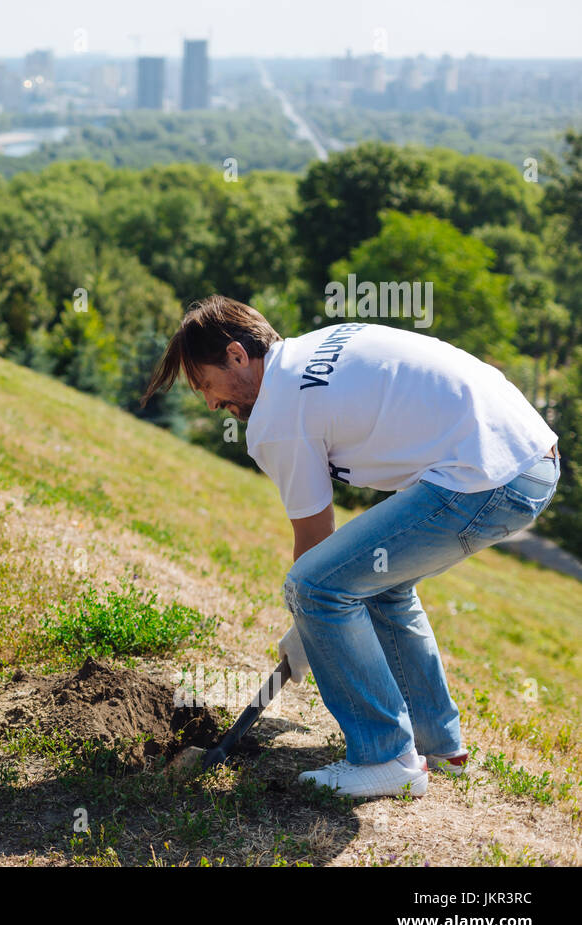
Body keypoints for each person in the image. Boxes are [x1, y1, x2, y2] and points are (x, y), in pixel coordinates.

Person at [145, 295, 560, 798]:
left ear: (236, 355)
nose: (211, 404)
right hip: (528, 457)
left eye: (206, 385)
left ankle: (387, 758)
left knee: (314, 587)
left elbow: (315, 544)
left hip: (487, 474)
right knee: (376, 583)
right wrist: (314, 621)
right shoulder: (314, 349)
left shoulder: (278, 412)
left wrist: (310, 620)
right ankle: (439, 747)